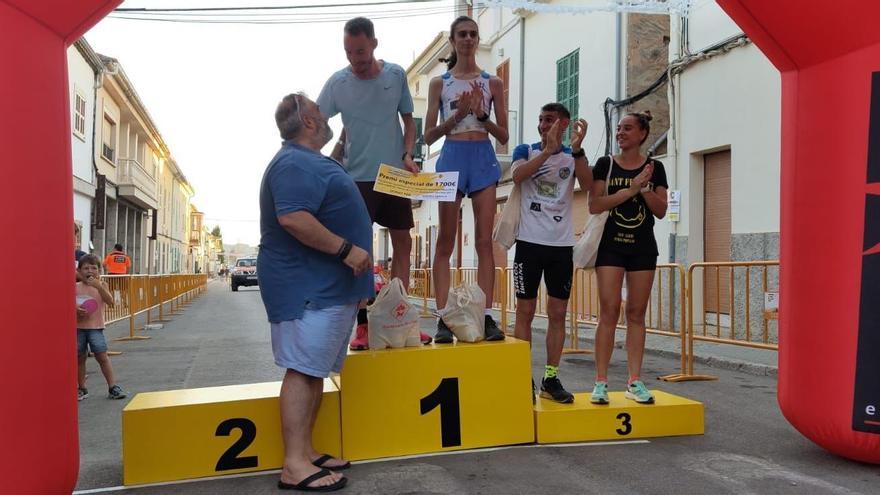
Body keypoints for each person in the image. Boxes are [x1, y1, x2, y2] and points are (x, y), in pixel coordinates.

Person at [258, 92, 373, 492]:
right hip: (306, 288)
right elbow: (293, 218)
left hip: (325, 288)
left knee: (313, 371)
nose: (325, 116)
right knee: (302, 370)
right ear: (307, 121)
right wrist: (346, 250)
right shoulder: (293, 162)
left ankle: (305, 452)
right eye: (320, 112)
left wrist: (341, 146)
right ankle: (294, 465)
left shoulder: (309, 160)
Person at [318, 16, 432, 350]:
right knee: (361, 251)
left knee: (404, 246)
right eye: (349, 52)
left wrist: (408, 153)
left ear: (375, 44)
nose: (355, 59)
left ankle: (400, 316)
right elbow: (317, 120)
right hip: (356, 178)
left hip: (394, 175)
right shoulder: (338, 83)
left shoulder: (395, 75)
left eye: (361, 51)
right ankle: (364, 324)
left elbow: (409, 123)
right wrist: (327, 158)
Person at [424, 15, 509, 343]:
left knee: (484, 241)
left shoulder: (493, 83)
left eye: (473, 34)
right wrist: (458, 115)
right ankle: (444, 316)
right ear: (453, 40)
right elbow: (428, 136)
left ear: (477, 39)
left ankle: (485, 315)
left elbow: (503, 134)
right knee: (445, 240)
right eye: (463, 34)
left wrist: (482, 115)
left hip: (483, 158)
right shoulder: (439, 83)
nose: (469, 39)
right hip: (452, 157)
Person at [511, 104, 591, 403]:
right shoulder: (526, 149)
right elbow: (518, 176)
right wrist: (547, 151)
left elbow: (588, 186)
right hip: (528, 244)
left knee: (558, 314)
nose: (543, 125)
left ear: (564, 123)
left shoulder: (573, 156)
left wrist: (577, 150)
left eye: (549, 120)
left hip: (561, 246)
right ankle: (521, 376)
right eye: (541, 120)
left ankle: (551, 377)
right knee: (525, 311)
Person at [588, 111, 668, 405]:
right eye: (619, 128)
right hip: (611, 246)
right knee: (608, 311)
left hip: (643, 247)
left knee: (636, 313)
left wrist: (644, 188)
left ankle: (634, 381)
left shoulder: (655, 168)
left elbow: (660, 210)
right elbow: (595, 204)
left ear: (643, 134)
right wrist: (631, 189)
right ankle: (600, 382)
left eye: (628, 128)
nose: (621, 132)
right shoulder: (605, 164)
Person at [76, 254, 127, 401]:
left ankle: (113, 386)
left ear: (99, 271)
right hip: (78, 328)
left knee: (102, 356)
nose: (90, 271)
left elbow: (110, 301)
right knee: (79, 358)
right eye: (86, 268)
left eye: (94, 268)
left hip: (95, 327)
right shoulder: (75, 287)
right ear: (79, 271)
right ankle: (82, 387)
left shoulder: (102, 285)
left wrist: (99, 287)